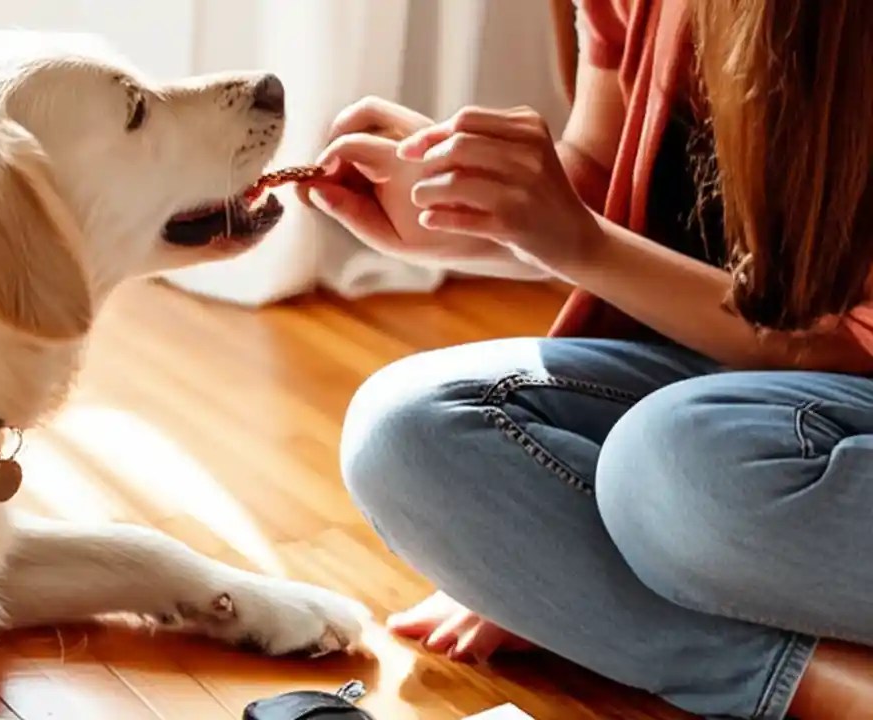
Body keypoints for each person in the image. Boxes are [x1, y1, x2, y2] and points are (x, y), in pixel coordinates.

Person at [302, 0, 873, 718]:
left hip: (830, 398)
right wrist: (471, 207)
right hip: (751, 394)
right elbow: (605, 173)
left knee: (677, 467)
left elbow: (837, 342)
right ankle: (826, 684)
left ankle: (637, 618)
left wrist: (552, 581)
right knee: (405, 432)